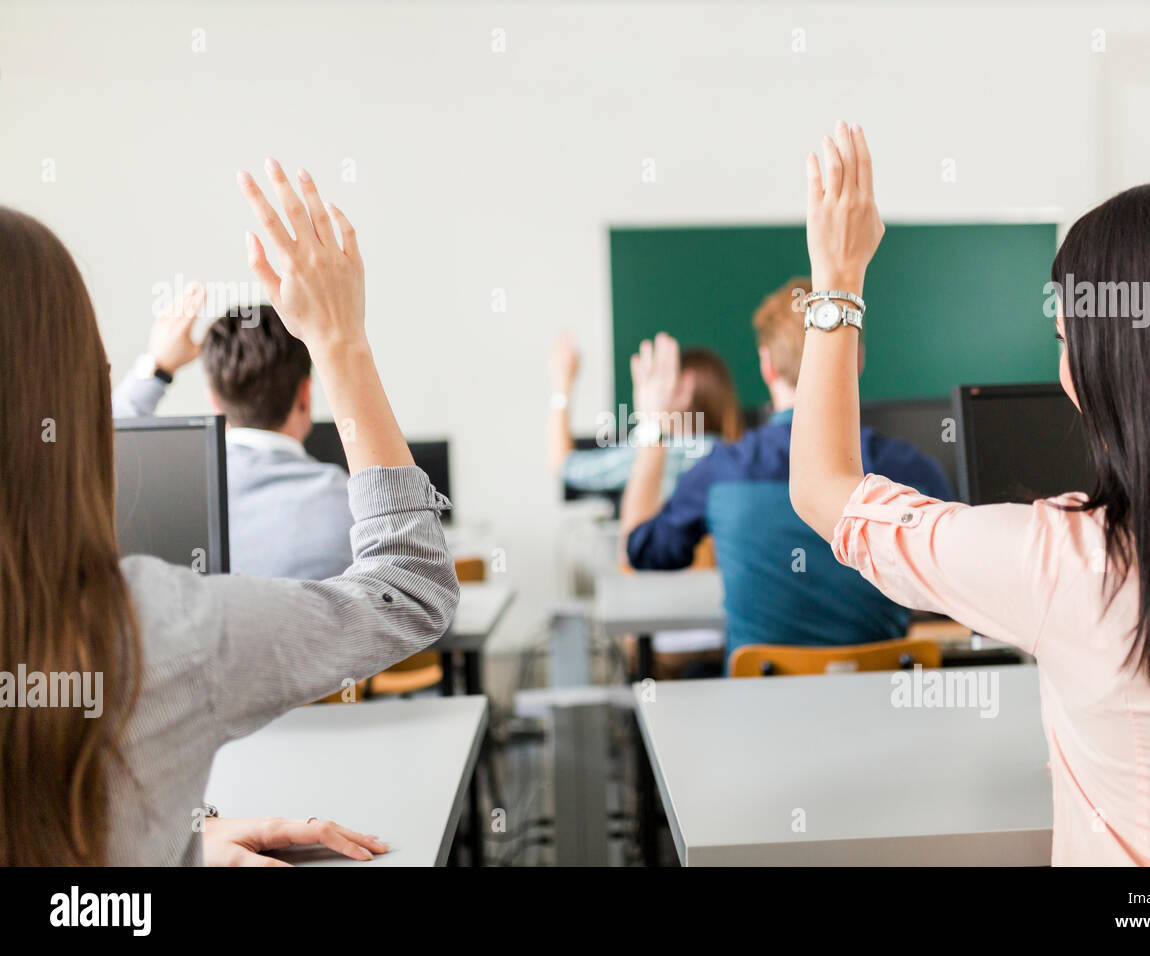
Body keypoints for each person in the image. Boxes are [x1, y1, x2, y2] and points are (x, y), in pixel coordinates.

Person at [789, 121, 1150, 865]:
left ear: (1111, 369)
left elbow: (822, 488)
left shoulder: (1062, 563)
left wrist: (837, 279)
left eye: (1066, 344)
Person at [0, 158, 460, 865]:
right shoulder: (161, 629)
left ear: (212, 400)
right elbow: (411, 590)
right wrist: (341, 342)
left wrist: (179, 836)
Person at [621, 301, 951, 664]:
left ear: (767, 365)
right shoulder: (911, 470)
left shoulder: (722, 471)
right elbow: (952, 582)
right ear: (856, 358)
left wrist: (653, 427)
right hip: (885, 702)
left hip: (757, 709)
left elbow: (641, 550)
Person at [112, 292, 355, 580]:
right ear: (305, 393)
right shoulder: (356, 508)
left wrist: (157, 366)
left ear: (214, 401)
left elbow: (102, 444)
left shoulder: (168, 492)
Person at [548, 332, 743, 500]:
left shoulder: (666, 454)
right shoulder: (736, 453)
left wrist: (563, 383)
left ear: (686, 387)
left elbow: (565, 466)